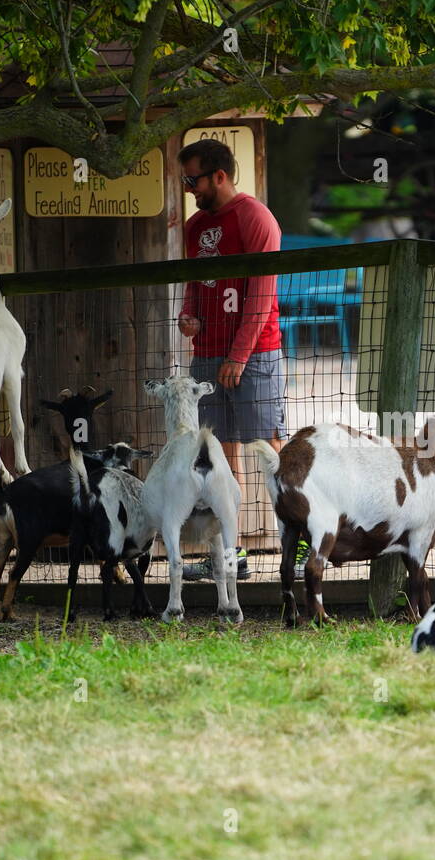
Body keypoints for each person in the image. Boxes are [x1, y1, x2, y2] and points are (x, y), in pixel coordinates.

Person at [176, 138, 287, 581]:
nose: (188, 189)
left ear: (219, 175)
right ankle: (230, 554)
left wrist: (238, 357)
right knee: (219, 456)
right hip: (207, 354)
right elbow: (192, 282)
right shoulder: (194, 226)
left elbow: (261, 296)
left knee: (271, 451)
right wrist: (189, 315)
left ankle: (294, 546)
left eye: (192, 179)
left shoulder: (256, 219)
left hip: (255, 354)